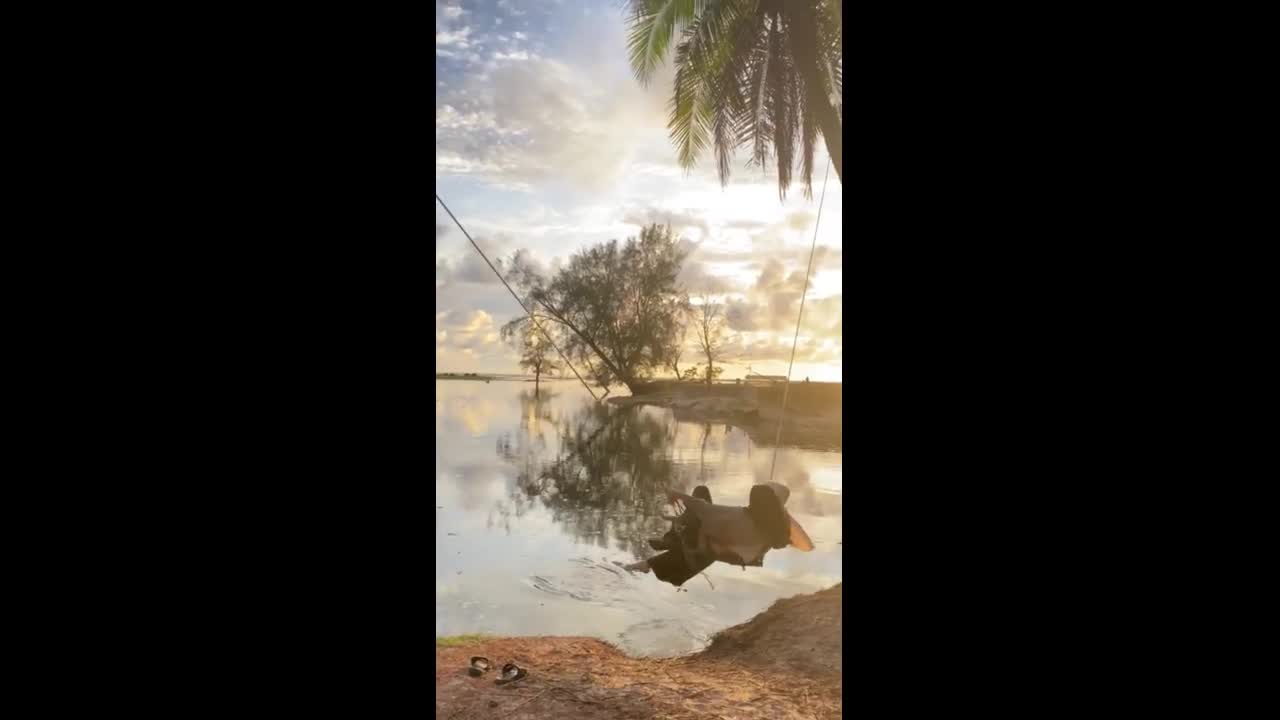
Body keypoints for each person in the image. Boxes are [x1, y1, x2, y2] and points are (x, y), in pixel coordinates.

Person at [621, 482, 813, 587]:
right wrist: (785, 516)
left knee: (700, 500)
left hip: (720, 546)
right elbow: (807, 546)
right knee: (701, 498)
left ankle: (669, 540)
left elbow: (703, 509)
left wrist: (676, 494)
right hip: (741, 554)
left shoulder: (742, 515)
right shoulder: (778, 528)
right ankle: (666, 545)